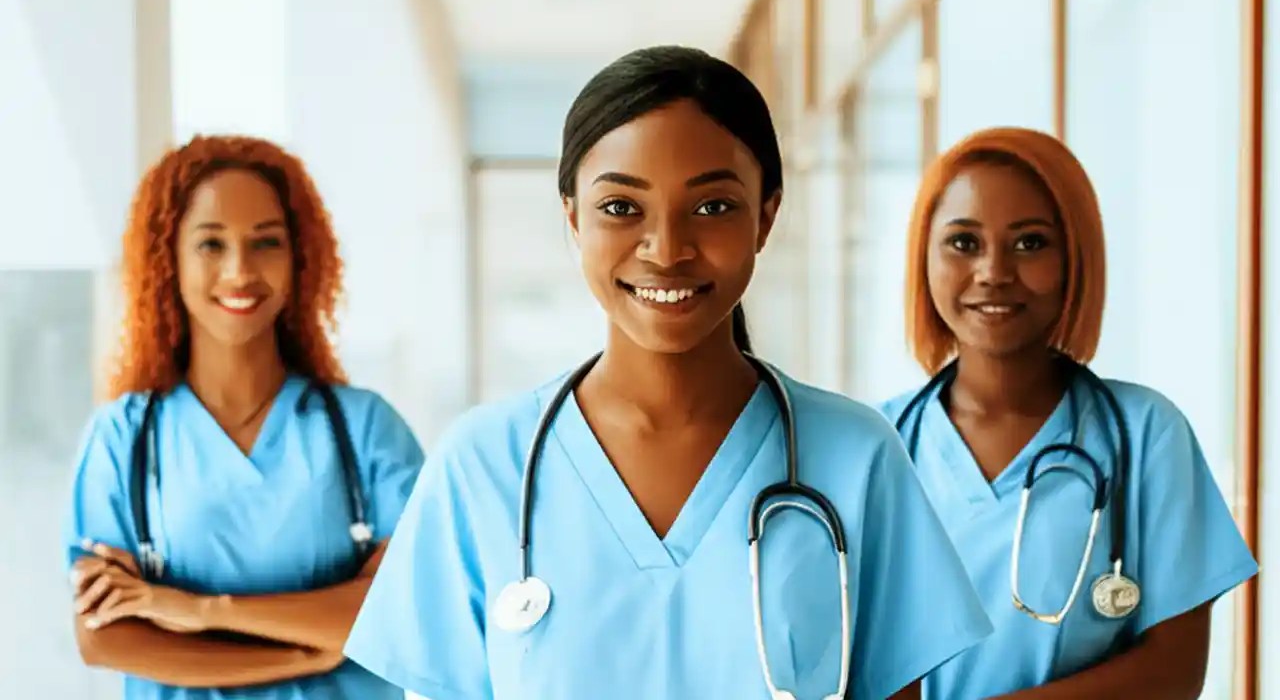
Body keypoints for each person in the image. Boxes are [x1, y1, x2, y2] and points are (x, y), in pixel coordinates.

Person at [343, 45, 992, 700]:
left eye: (712, 208)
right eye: (622, 208)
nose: (668, 250)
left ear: (767, 215)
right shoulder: (480, 467)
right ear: (572, 217)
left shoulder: (857, 456)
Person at [879, 126, 1258, 699]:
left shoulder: (1146, 434)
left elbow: (1173, 675)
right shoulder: (874, 445)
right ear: (923, 257)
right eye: (963, 243)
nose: (994, 272)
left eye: (1030, 243)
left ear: (1075, 257)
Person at [62, 135, 425, 699]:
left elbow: (403, 613)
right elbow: (106, 638)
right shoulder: (122, 438)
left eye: (266, 243)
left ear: (299, 257)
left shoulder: (367, 431)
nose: (239, 270)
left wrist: (194, 610)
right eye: (210, 244)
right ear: (168, 261)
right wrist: (310, 650)